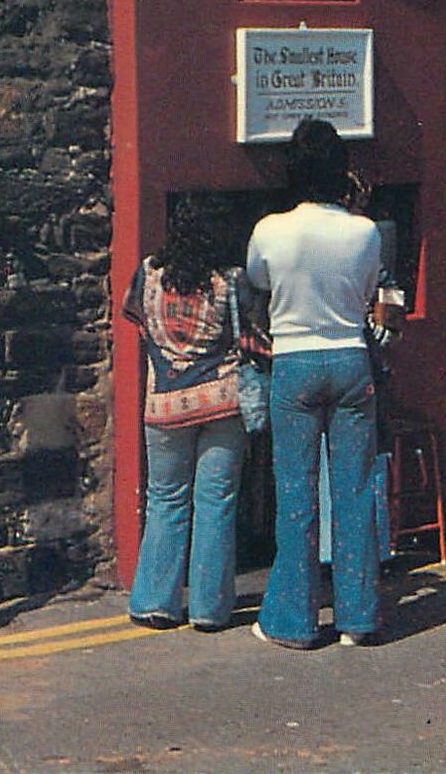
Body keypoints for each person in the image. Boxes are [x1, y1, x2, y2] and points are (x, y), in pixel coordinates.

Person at [247, 118, 383, 648]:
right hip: (350, 358)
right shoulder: (365, 232)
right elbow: (368, 292)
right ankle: (358, 617)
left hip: (294, 360)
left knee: (296, 494)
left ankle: (293, 621)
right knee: (355, 490)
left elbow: (258, 280)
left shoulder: (269, 229)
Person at [122, 200, 250, 631]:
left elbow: (137, 321)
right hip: (221, 401)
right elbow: (249, 336)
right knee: (216, 502)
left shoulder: (148, 274)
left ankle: (154, 602)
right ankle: (209, 609)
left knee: (165, 498)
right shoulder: (231, 280)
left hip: (165, 405)